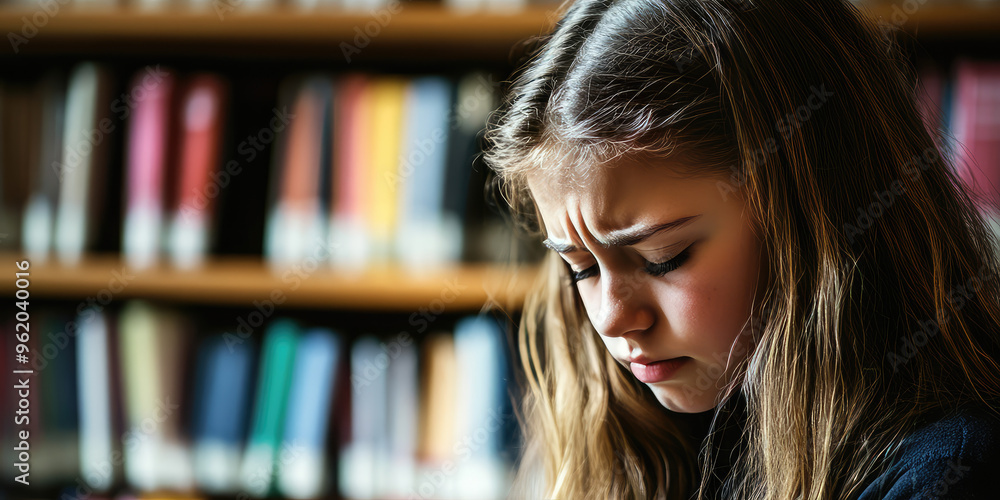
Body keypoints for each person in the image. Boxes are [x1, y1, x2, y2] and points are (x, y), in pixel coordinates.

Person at [481, 0, 1000, 498]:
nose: (612, 319)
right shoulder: (676, 436)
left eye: (665, 256)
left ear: (812, 211)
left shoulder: (947, 474)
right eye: (581, 268)